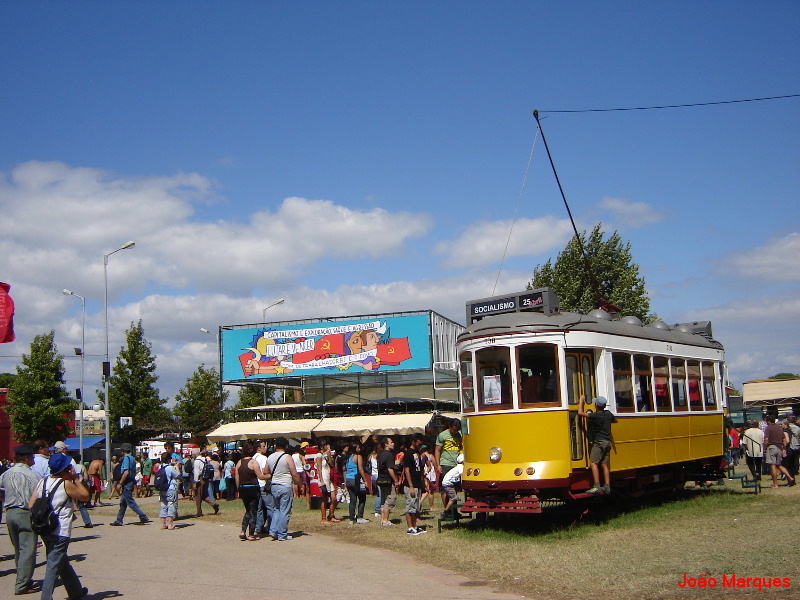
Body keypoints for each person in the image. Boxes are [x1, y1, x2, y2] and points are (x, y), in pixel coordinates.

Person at [29, 452, 90, 600]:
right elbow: (85, 496)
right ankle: (46, 597)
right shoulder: (65, 484)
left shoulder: (42, 482)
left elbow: (31, 504)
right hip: (60, 530)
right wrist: (76, 479)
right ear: (64, 469)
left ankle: (76, 592)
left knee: (61, 561)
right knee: (53, 565)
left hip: (45, 528)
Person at [0, 444, 41, 595]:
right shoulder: (32, 475)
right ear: (27, 458)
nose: (33, 460)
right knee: (28, 550)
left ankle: (23, 577)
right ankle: (22, 585)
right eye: (32, 457)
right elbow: (38, 495)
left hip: (10, 513)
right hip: (25, 513)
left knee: (18, 549)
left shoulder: (6, 473)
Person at [578, 395, 617, 494]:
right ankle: (607, 486)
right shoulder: (608, 413)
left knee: (593, 463)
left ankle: (597, 486)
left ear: (596, 405)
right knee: (604, 464)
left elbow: (580, 413)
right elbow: (615, 421)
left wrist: (582, 401)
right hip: (608, 442)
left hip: (599, 442)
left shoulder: (595, 415)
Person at [266, 436, 302, 541]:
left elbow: (265, 471)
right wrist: (300, 484)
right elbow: (294, 473)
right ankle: (282, 533)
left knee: (277, 509)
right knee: (285, 510)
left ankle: (273, 530)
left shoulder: (270, 457)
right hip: (285, 485)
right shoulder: (287, 457)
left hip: (274, 485)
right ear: (285, 446)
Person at [109, 443, 152, 526]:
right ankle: (119, 519)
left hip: (127, 482)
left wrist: (120, 483)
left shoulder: (126, 458)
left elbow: (126, 472)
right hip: (131, 481)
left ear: (124, 450)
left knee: (130, 502)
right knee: (123, 503)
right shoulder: (132, 458)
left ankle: (143, 516)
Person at [235, 443, 262, 541]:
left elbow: (237, 477)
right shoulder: (253, 463)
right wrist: (269, 476)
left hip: (243, 487)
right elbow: (260, 476)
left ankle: (243, 531)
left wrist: (238, 488)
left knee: (247, 510)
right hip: (253, 488)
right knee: (253, 511)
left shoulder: (239, 463)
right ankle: (251, 534)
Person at [403, 434, 427, 535]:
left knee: (416, 507)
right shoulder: (408, 453)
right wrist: (411, 486)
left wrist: (423, 480)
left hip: (418, 483)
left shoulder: (417, 452)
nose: (420, 445)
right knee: (410, 506)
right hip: (411, 484)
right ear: (413, 442)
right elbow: (407, 470)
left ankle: (415, 526)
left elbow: (420, 468)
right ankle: (410, 527)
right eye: (418, 443)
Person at [764, 415, 795, 488]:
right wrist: (783, 448)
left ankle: (775, 484)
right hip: (779, 447)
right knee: (779, 465)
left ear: (768, 421)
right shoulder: (780, 428)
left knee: (772, 465)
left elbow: (766, 439)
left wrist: (765, 448)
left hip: (772, 447)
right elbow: (784, 440)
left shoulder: (768, 428)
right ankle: (790, 477)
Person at [435, 418, 461, 508]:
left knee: (454, 489)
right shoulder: (442, 435)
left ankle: (454, 510)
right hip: (446, 463)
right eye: (454, 430)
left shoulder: (460, 435)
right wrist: (438, 465)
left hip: (456, 464)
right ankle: (447, 509)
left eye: (457, 430)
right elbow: (437, 450)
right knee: (445, 488)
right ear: (450, 427)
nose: (455, 432)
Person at [344, 441, 370, 525]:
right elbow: (361, 469)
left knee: (353, 499)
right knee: (362, 497)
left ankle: (352, 518)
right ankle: (360, 516)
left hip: (348, 479)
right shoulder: (358, 456)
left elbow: (345, 469)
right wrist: (365, 480)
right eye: (358, 447)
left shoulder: (348, 457)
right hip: (356, 478)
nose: (360, 449)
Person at [376, 436, 399, 527]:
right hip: (387, 480)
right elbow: (390, 469)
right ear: (386, 444)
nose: (393, 444)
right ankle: (385, 520)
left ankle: (383, 519)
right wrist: (395, 479)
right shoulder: (389, 455)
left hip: (380, 479)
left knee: (383, 499)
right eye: (391, 442)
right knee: (390, 499)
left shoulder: (380, 454)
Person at [193, 450, 220, 517]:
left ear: (194, 454)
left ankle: (199, 511)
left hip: (200, 479)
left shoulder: (197, 461)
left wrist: (195, 482)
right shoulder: (205, 459)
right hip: (206, 479)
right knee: (204, 495)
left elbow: (197, 473)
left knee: (198, 496)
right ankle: (213, 504)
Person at [157, 452, 180, 530]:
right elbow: (178, 475)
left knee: (163, 506)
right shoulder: (170, 468)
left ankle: (163, 524)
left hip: (162, 489)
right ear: (168, 459)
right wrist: (177, 467)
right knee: (171, 505)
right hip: (170, 488)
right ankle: (170, 524)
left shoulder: (161, 467)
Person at [441, 453, 465, 519]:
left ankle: (453, 513)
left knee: (454, 497)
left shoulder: (457, 466)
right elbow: (462, 475)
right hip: (448, 484)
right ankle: (445, 512)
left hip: (447, 482)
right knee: (453, 498)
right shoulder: (461, 467)